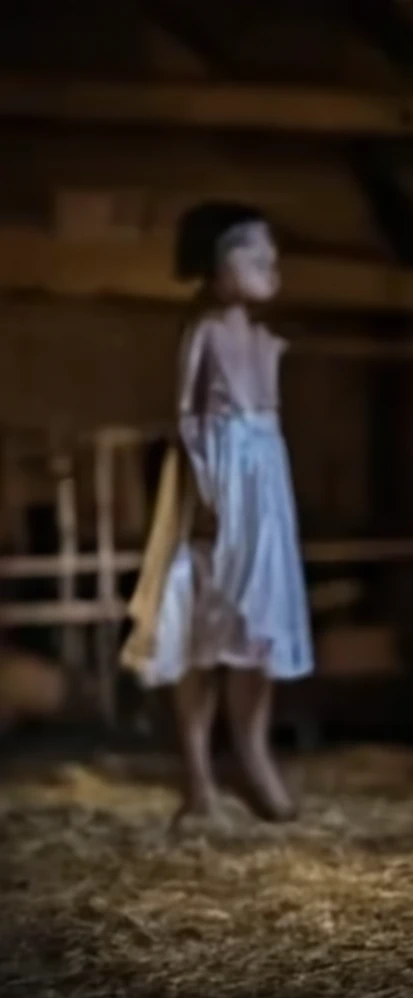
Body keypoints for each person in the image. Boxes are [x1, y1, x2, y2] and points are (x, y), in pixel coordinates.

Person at [122, 202, 313, 826]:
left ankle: (253, 755)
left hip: (263, 493)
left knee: (257, 623)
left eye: (271, 255)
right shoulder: (203, 329)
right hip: (217, 487)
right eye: (251, 254)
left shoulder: (262, 340)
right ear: (213, 263)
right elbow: (189, 416)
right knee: (202, 622)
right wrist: (207, 492)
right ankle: (200, 776)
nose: (268, 265)